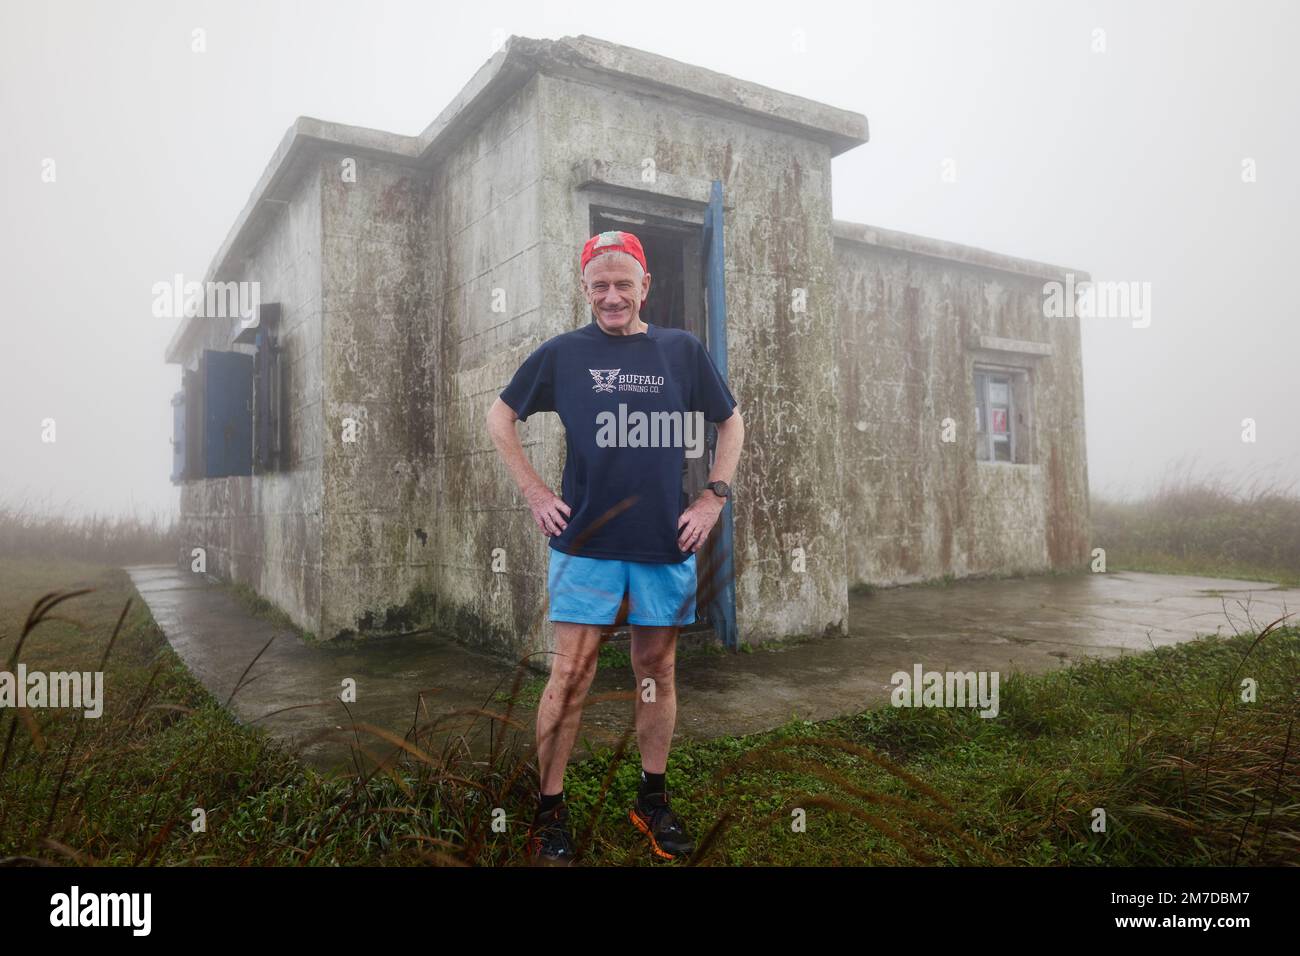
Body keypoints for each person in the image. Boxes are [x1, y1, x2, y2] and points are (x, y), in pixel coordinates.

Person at [486, 229, 744, 864]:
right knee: (571, 673)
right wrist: (535, 491)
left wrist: (712, 497)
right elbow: (499, 417)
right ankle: (550, 810)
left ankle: (652, 800)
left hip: (663, 541)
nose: (611, 296)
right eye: (599, 285)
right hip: (587, 542)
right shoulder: (563, 355)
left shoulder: (681, 351)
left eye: (622, 284)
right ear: (584, 289)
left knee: (656, 670)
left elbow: (730, 421)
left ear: (645, 286)